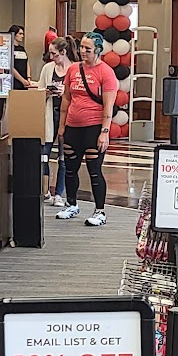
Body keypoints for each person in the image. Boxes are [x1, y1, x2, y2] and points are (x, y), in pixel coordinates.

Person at [57, 33, 117, 226]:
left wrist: (104, 132)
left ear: (97, 50)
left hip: (94, 128)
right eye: (81, 47)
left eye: (88, 49)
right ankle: (71, 204)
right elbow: (66, 98)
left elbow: (108, 106)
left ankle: (100, 211)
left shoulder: (105, 72)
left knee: (94, 170)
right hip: (73, 127)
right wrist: (61, 127)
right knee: (70, 169)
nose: (83, 51)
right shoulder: (73, 69)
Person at [38, 37, 70, 204]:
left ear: (63, 53)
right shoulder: (48, 69)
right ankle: (45, 190)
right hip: (50, 114)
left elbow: (75, 95)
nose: (51, 57)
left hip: (67, 117)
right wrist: (48, 92)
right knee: (44, 154)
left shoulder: (74, 69)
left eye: (54, 54)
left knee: (64, 157)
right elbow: (39, 91)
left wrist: (64, 92)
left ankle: (59, 194)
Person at [8, 24, 33, 90]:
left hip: (25, 82)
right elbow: (11, 67)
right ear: (14, 34)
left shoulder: (22, 49)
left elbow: (27, 63)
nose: (22, 36)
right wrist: (22, 80)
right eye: (20, 34)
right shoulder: (9, 49)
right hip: (15, 82)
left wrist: (28, 78)